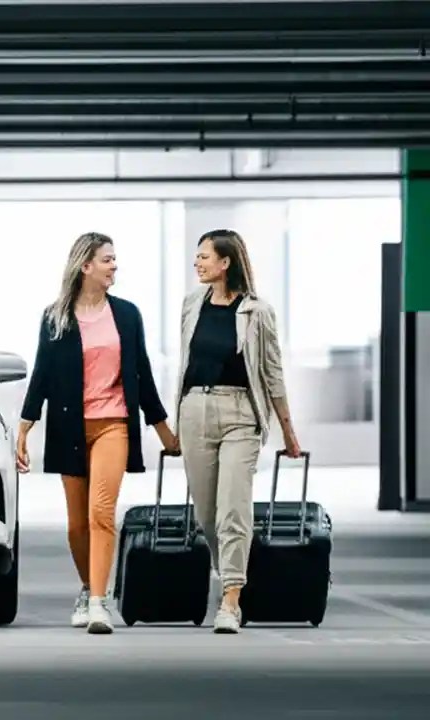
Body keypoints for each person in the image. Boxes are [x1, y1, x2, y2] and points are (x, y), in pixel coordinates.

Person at [16, 232, 179, 635]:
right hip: (69, 426)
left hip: (113, 424)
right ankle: (89, 586)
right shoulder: (56, 316)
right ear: (85, 265)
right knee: (76, 525)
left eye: (115, 259)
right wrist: (23, 428)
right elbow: (42, 376)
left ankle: (99, 603)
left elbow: (141, 373)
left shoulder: (126, 315)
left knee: (100, 514)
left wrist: (164, 432)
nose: (114, 267)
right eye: (107, 260)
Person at [174, 229, 302, 634]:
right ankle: (225, 568)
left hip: (240, 413)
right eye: (197, 257)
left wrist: (288, 433)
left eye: (205, 257)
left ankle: (231, 598)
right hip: (195, 409)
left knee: (234, 507)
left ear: (226, 262)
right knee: (206, 514)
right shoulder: (191, 305)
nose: (198, 263)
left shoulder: (257, 311)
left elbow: (272, 373)